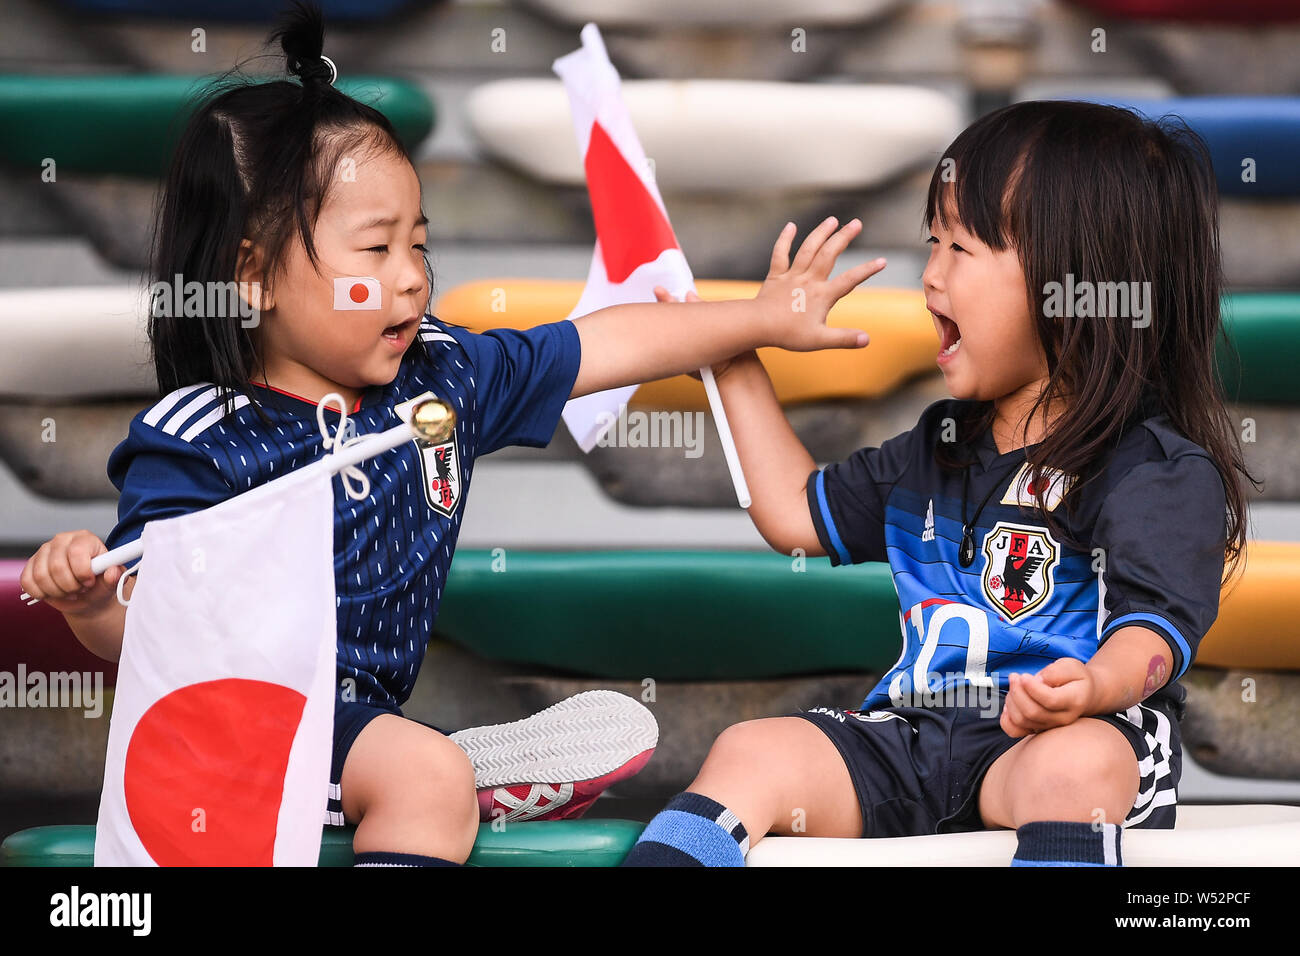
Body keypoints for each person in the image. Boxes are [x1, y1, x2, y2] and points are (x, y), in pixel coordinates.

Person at [17, 3, 884, 867]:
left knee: (411, 765)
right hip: (241, 728)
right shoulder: (198, 438)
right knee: (425, 777)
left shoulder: (443, 378)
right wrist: (95, 606)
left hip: (358, 726)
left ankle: (424, 771)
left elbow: (607, 342)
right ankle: (446, 774)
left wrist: (757, 319)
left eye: (420, 247)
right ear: (253, 276)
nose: (410, 280)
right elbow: (153, 635)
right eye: (376, 250)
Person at [625, 99, 1256, 867]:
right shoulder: (942, 442)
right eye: (933, 242)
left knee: (1075, 767)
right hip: (916, 739)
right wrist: (733, 348)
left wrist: (1093, 687)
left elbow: (1157, 637)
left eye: (960, 247)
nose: (929, 276)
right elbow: (793, 512)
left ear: (1077, 281)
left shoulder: (1154, 469)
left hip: (1070, 741)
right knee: (751, 750)